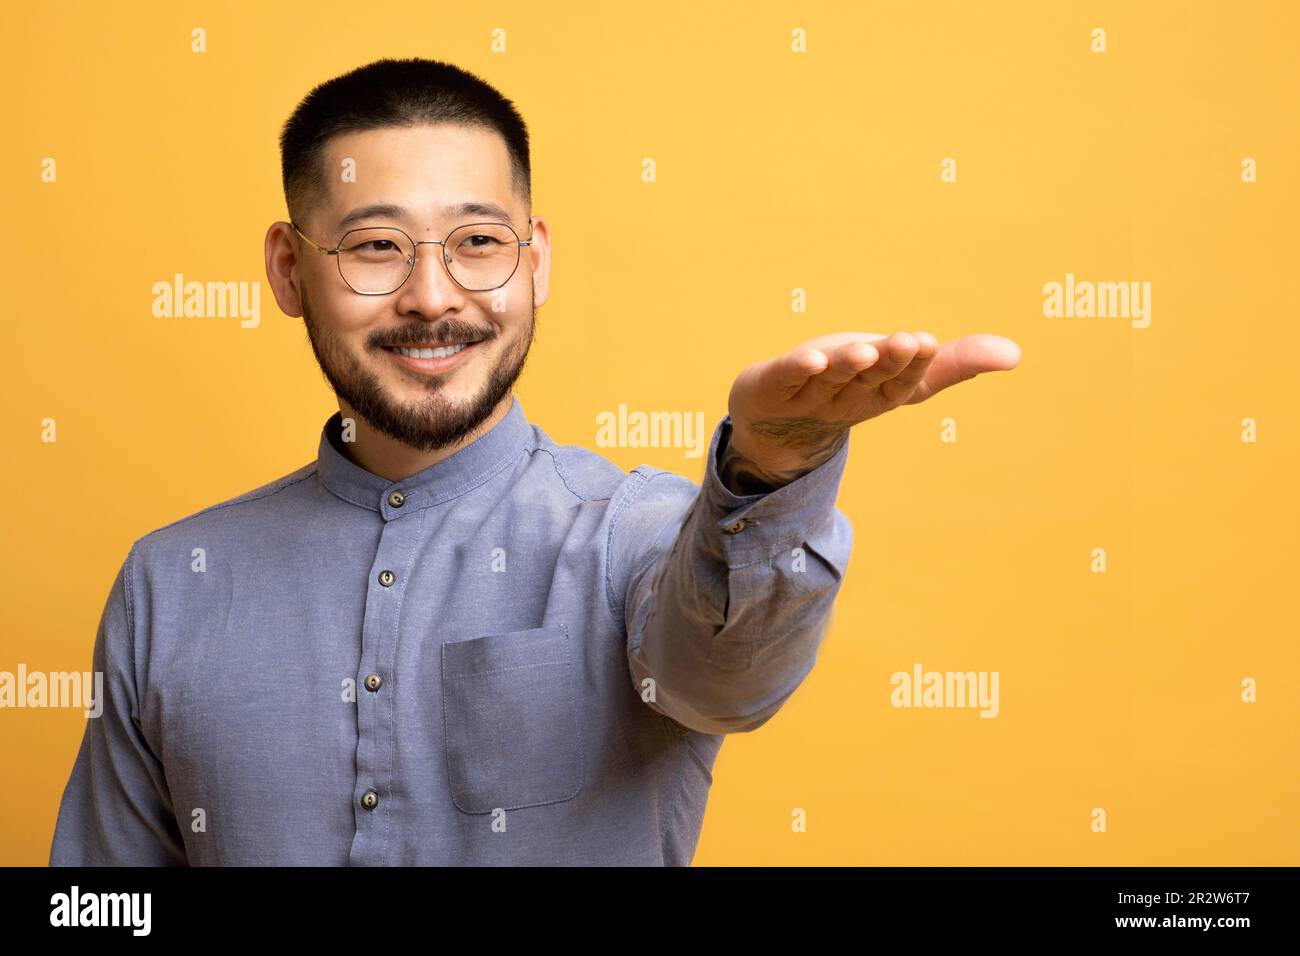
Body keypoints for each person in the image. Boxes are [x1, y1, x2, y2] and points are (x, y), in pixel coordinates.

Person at [49, 57, 1020, 866]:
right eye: (376, 245)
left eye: (478, 241)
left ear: (537, 260)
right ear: (288, 269)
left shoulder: (641, 539)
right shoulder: (171, 582)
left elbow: (725, 679)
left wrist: (771, 471)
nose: (433, 295)